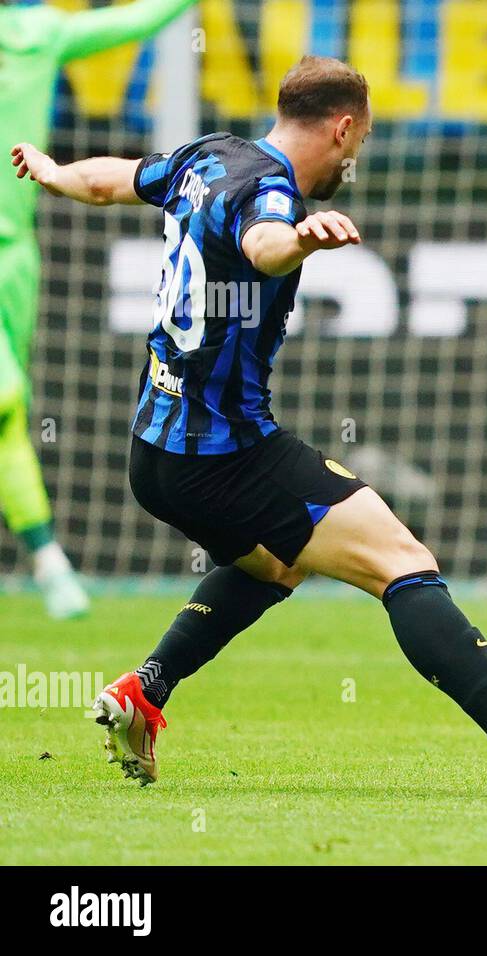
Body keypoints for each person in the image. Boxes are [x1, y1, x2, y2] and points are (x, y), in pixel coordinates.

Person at [11, 54, 487, 795]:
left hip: (152, 453)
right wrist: (302, 237)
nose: (354, 157)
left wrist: (50, 171)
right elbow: (263, 244)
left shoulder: (208, 156)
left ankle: (144, 692)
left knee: (273, 566)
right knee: (401, 559)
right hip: (225, 453)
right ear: (340, 129)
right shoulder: (271, 192)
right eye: (358, 142)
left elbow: (111, 179)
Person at [1, 0, 201, 618]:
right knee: (4, 399)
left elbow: (130, 24)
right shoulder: (39, 34)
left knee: (8, 418)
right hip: (15, 257)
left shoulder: (35, 32)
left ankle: (47, 560)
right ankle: (51, 562)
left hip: (13, 259)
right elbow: (130, 23)